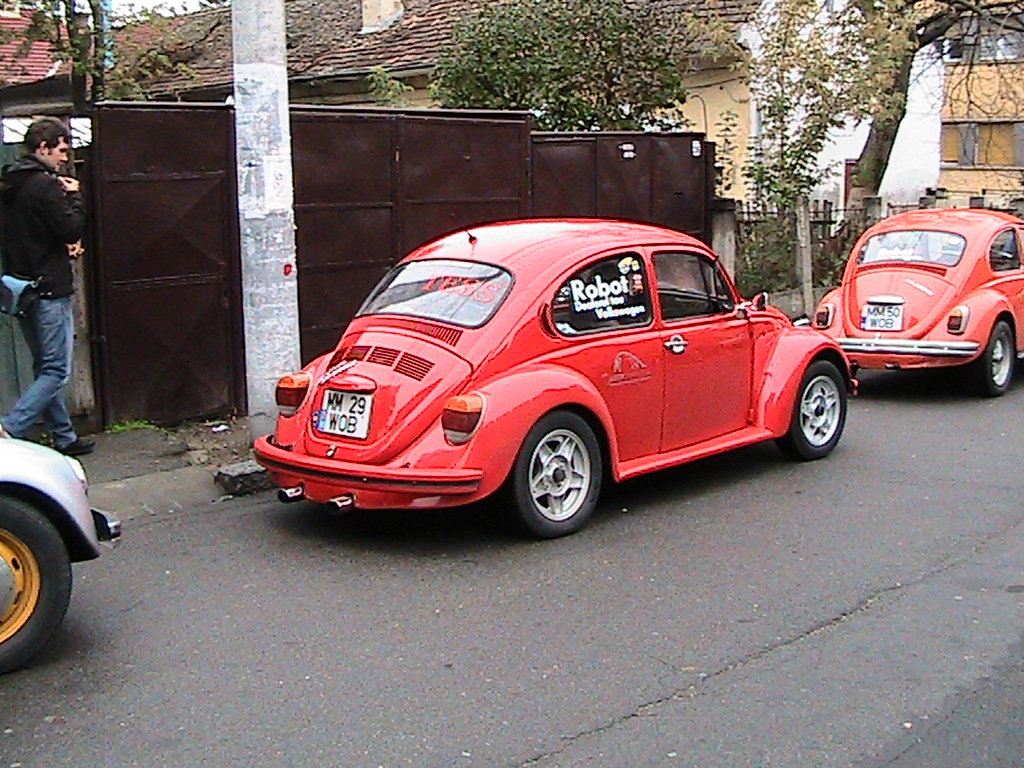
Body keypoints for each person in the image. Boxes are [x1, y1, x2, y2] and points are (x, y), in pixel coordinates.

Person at [0, 117, 93, 456]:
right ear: (43, 148)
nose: (63, 159)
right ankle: (10, 426)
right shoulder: (45, 186)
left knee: (44, 366)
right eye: (61, 151)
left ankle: (64, 437)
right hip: (49, 288)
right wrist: (75, 197)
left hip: (20, 288)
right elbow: (70, 229)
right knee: (55, 369)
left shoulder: (10, 184)